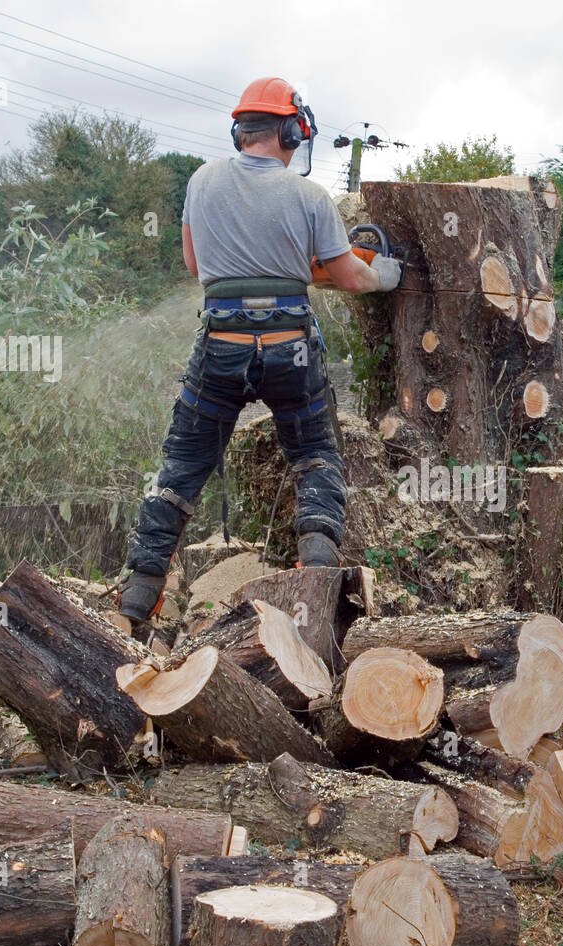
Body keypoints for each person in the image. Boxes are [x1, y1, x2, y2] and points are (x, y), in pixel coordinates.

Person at [117, 76, 402, 626]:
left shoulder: (201, 182)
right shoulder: (309, 196)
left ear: (240, 130)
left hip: (220, 346)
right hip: (288, 348)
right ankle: (315, 593)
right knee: (315, 457)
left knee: (178, 473)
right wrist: (384, 273)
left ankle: (134, 608)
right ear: (293, 131)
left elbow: (197, 266)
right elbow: (348, 277)